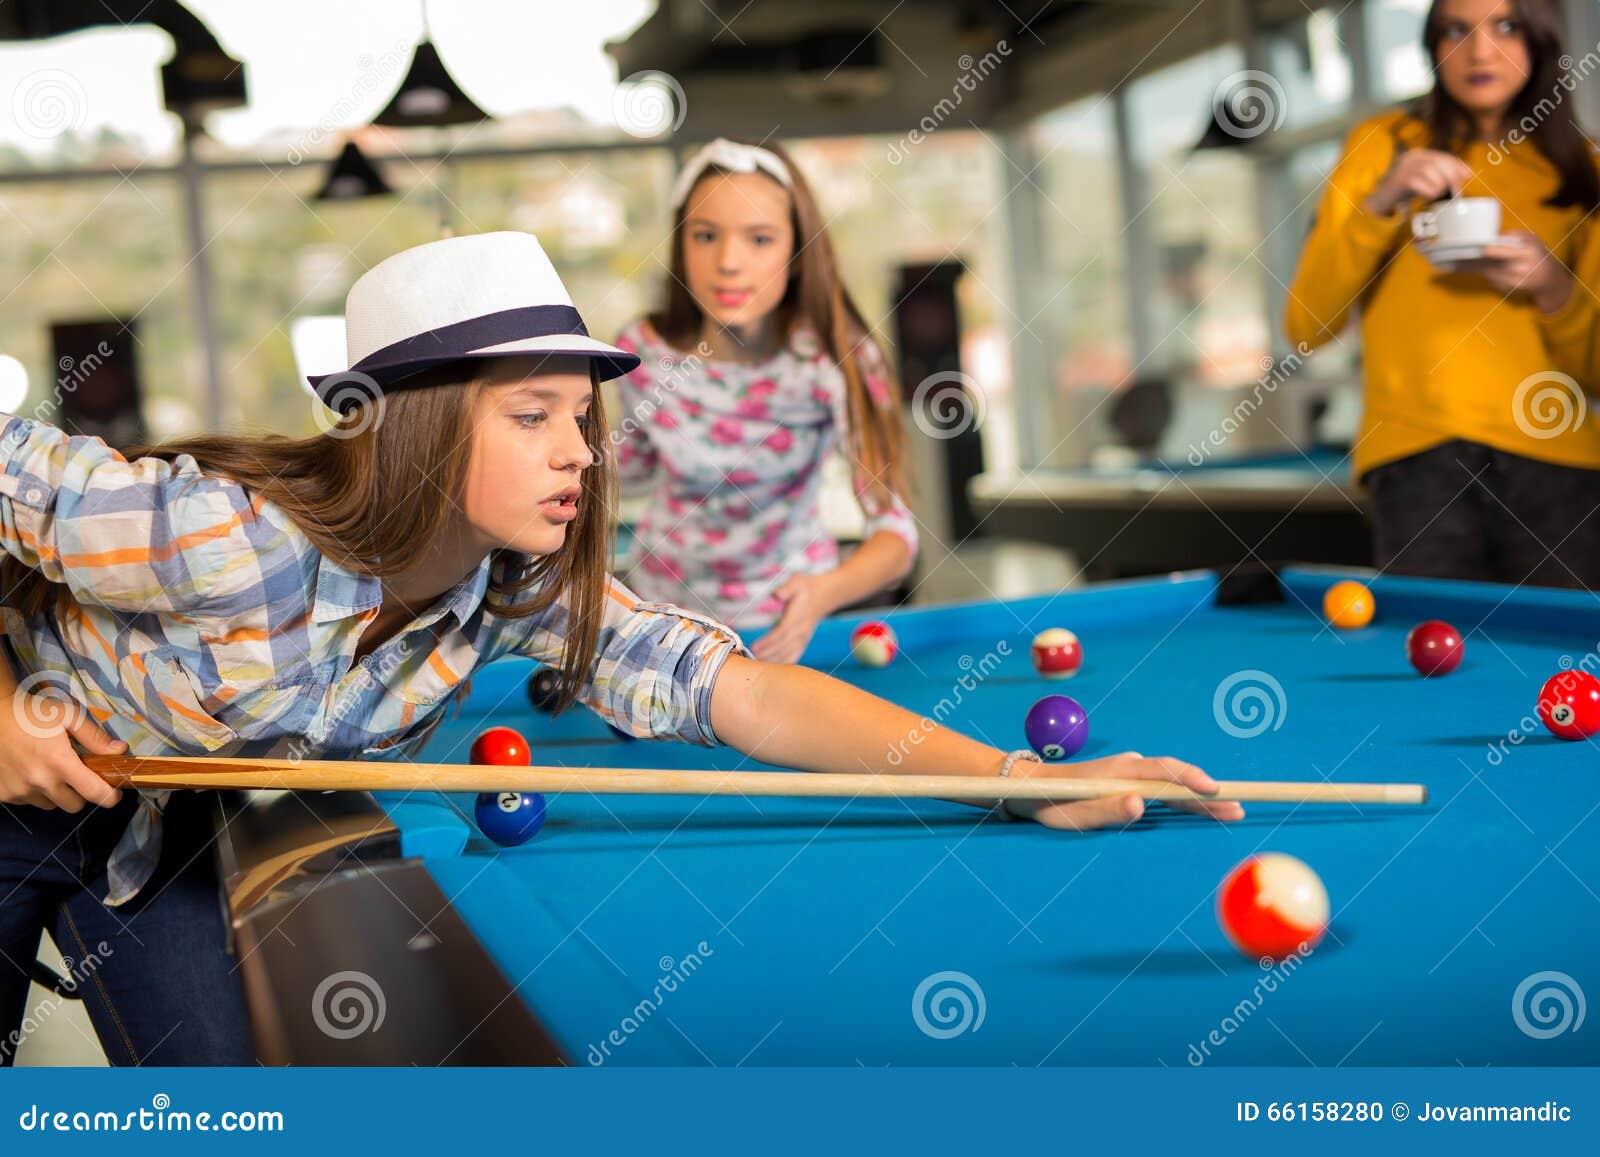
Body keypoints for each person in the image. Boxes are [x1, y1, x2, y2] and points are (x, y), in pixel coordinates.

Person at [0, 231, 1241, 1065]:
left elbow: (746, 694)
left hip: (147, 832)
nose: (579, 455)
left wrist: (1017, 782)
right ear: (420, 428)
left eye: (581, 420)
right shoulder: (224, 537)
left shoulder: (514, 586)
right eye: (532, 415)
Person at [1286, 0, 1600, 588]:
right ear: (1433, 47)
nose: (1479, 51)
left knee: (1569, 666)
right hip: (1414, 460)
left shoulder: (1584, 169)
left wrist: (1554, 288)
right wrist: (1381, 204)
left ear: (1541, 40)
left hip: (1561, 463)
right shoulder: (1381, 145)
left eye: (1506, 26)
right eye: (1457, 30)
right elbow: (1307, 325)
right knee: (1433, 666)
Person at [612, 138, 918, 662]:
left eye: (760, 239)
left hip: (786, 627)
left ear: (797, 252)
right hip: (658, 627)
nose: (729, 262)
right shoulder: (640, 349)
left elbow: (896, 536)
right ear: (681, 245)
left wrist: (823, 592)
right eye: (705, 236)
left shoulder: (838, 359)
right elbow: (631, 470)